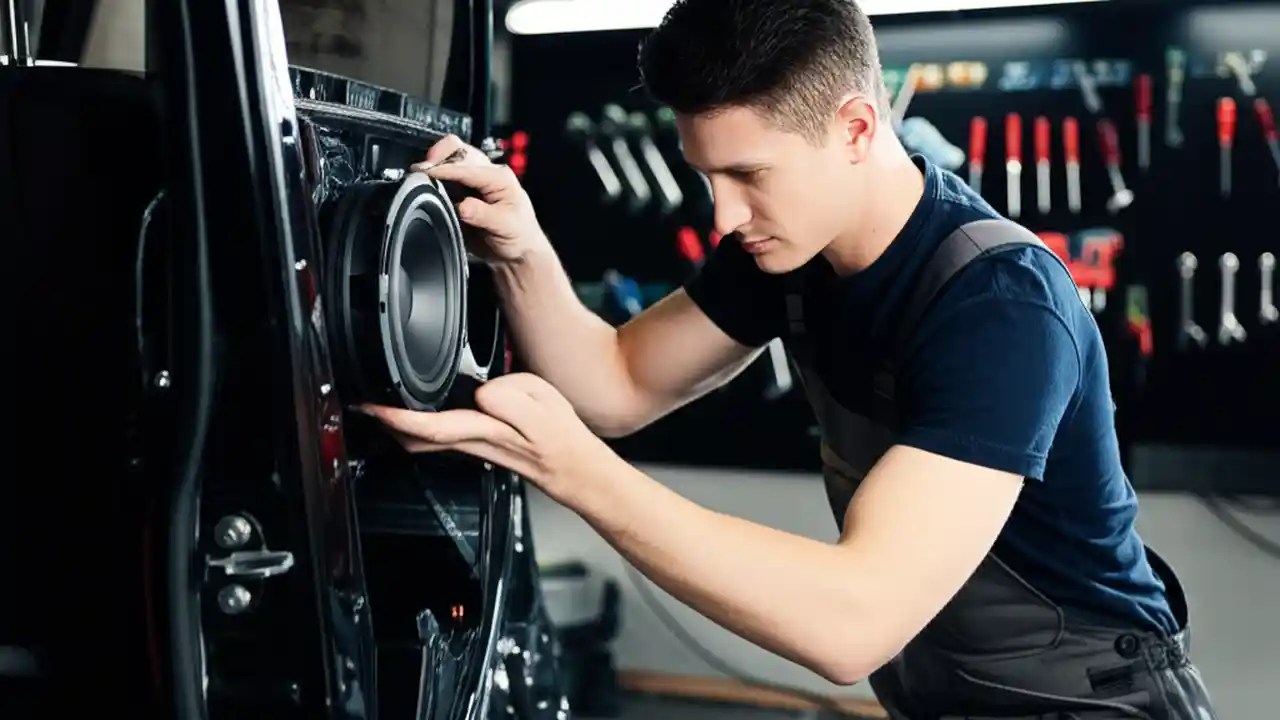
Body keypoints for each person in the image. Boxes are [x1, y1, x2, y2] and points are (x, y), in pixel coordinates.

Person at [359, 1, 1217, 717]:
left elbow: (852, 623)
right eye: (705, 176)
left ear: (854, 127)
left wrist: (575, 473)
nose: (725, 213)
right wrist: (520, 251)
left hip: (1099, 703)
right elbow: (617, 385)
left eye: (749, 173)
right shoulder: (787, 248)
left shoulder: (1000, 306)